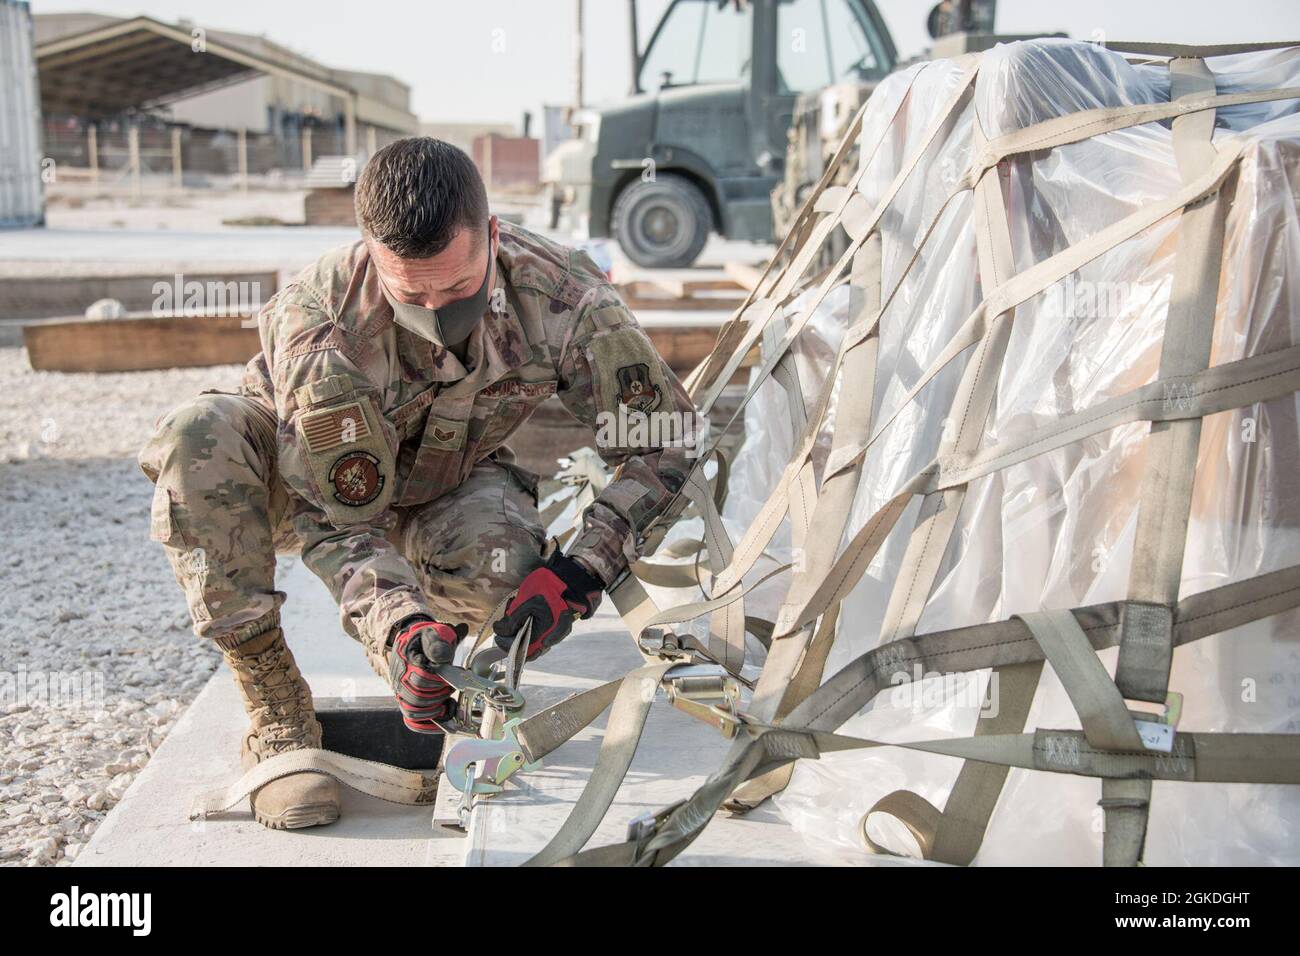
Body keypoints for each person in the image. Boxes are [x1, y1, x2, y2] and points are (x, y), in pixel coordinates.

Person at [139, 138, 699, 829]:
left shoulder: (562, 297)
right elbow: (335, 517)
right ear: (372, 254)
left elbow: (668, 441)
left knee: (508, 570)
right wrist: (392, 626)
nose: (438, 313)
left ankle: (448, 650)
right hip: (300, 488)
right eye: (413, 294)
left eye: (459, 289)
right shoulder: (320, 321)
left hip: (447, 481)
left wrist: (581, 571)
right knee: (198, 434)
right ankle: (276, 708)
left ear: (493, 237)